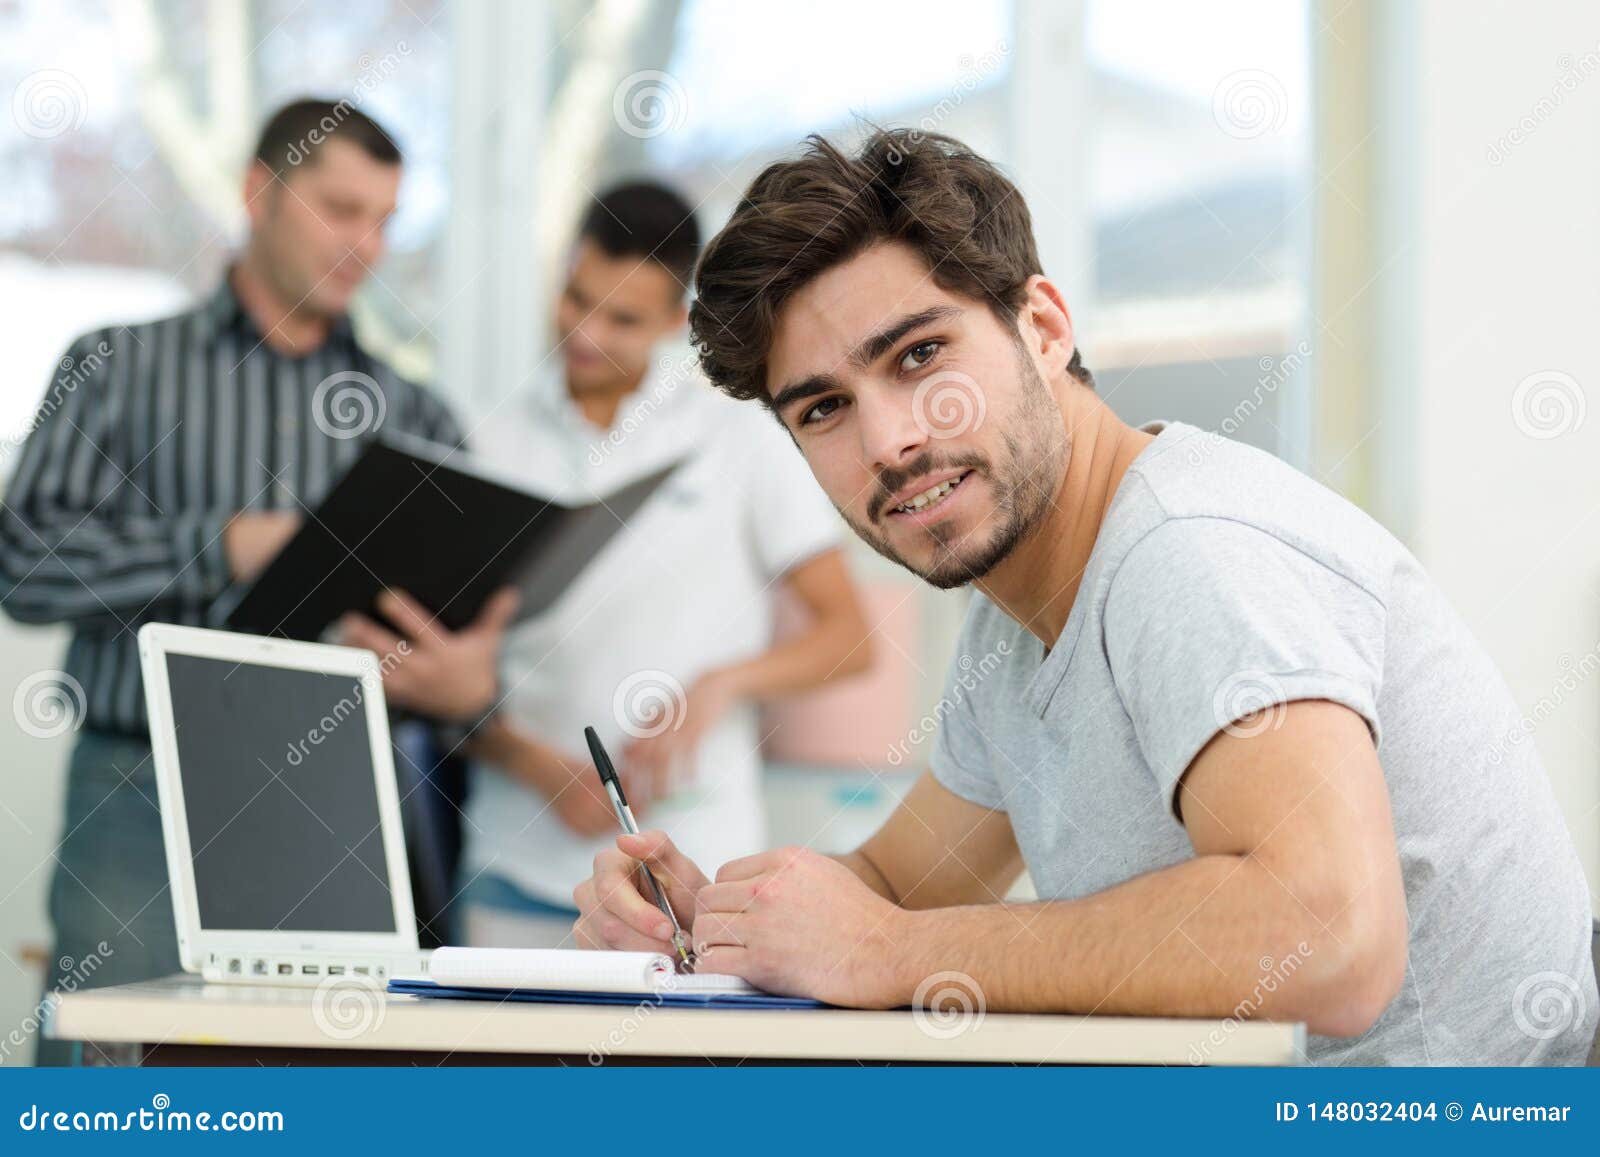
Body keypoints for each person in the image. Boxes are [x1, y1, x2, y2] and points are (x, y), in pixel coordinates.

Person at [571, 130, 1599, 1066]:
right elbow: (890, 887)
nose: (889, 440)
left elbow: (1330, 939)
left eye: (920, 355)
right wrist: (722, 923)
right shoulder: (1016, 616)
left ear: (1044, 325)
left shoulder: (1190, 552)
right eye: (826, 408)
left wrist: (889, 950)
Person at [0, 99, 505, 1064]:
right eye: (339, 208)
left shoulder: (419, 418)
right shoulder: (116, 367)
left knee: (329, 1092)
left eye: (385, 219)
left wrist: (463, 678)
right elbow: (25, 566)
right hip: (139, 787)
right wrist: (229, 545)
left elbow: (471, 634)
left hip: (342, 802)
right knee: (110, 1083)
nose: (365, 242)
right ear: (258, 191)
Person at [418, 180, 872, 948]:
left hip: (697, 877)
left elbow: (848, 635)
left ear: (673, 320)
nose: (585, 333)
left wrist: (722, 683)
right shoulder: (486, 441)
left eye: (621, 319)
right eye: (574, 298)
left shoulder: (738, 438)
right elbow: (435, 668)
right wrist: (534, 766)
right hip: (514, 870)